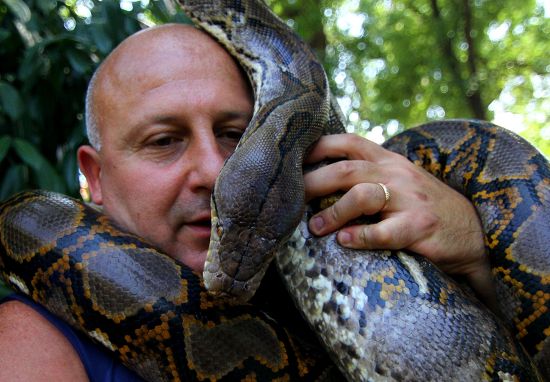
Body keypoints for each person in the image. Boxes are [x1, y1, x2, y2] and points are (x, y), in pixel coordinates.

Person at [0, 24, 490, 381]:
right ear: (95, 176)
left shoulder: (364, 242)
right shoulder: (32, 342)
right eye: (163, 140)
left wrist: (482, 257)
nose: (215, 172)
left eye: (235, 134)